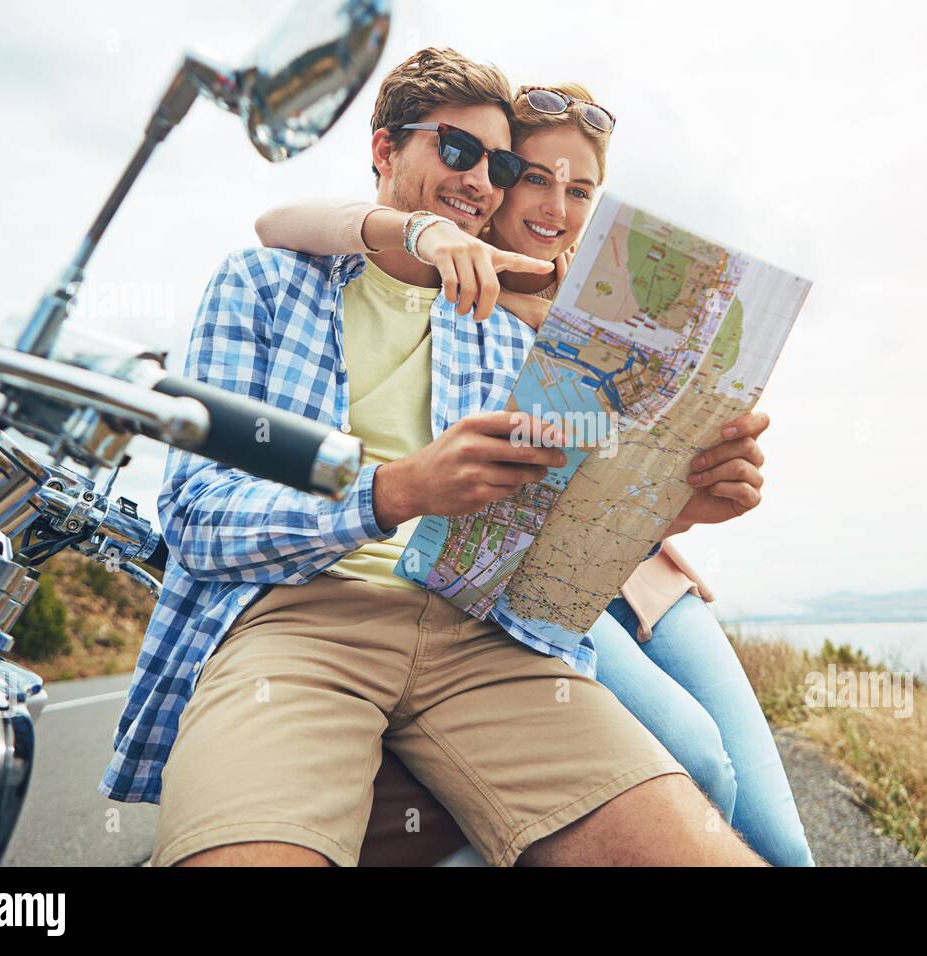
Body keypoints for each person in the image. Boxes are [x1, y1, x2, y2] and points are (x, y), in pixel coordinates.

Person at [99, 46, 770, 867]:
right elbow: (197, 519)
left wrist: (685, 503)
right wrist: (395, 490)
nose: (482, 180)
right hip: (299, 620)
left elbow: (539, 530)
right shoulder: (264, 283)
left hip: (482, 632)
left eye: (500, 164)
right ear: (384, 150)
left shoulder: (507, 323)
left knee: (713, 833)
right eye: (457, 150)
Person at [254, 79, 815, 866]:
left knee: (785, 841)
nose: (556, 207)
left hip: (643, 567)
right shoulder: (448, 282)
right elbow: (281, 221)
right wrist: (421, 231)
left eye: (581, 189)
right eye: (535, 179)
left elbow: (625, 469)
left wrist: (706, 485)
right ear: (495, 186)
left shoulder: (604, 305)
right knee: (700, 763)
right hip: (525, 575)